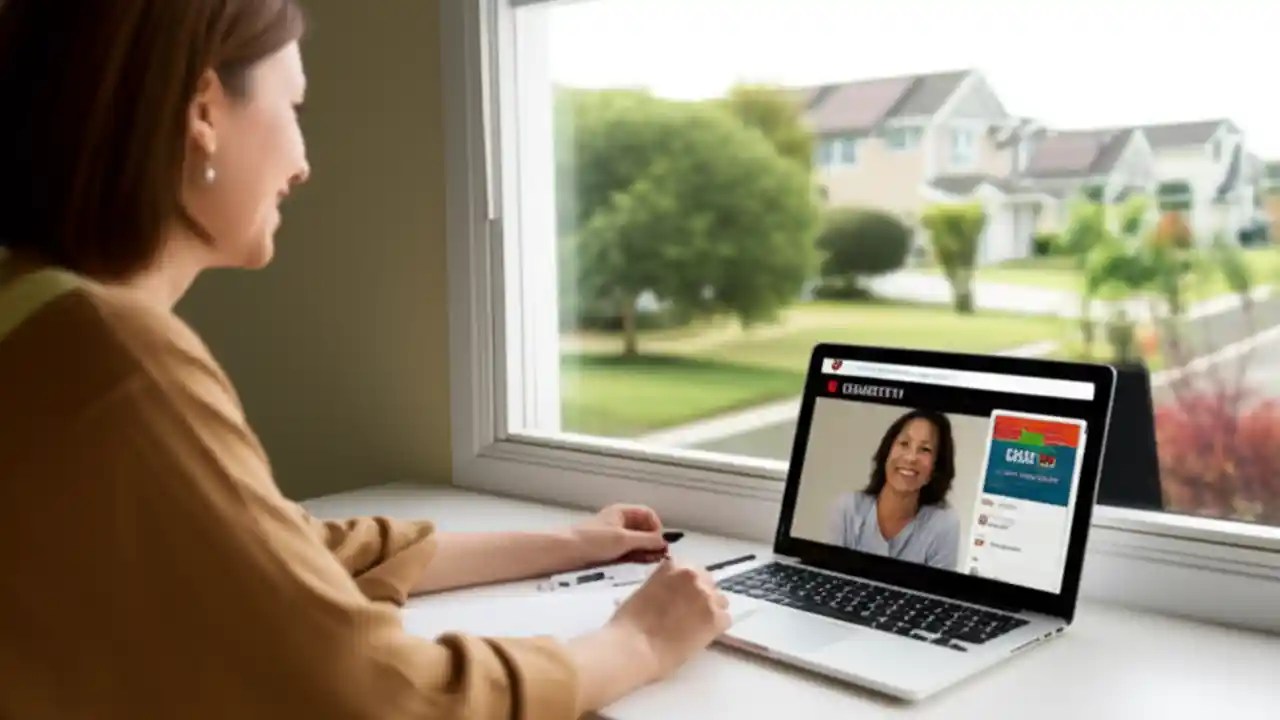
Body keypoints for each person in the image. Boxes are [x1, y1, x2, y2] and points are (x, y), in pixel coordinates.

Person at [0, 2, 730, 718]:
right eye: (295, 109)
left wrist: (574, 542)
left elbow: (285, 554)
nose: (303, 164)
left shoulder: (31, 314)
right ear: (204, 110)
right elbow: (382, 695)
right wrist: (640, 640)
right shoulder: (115, 358)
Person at [828, 409, 961, 570]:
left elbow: (939, 590)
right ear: (887, 452)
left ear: (935, 468)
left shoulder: (943, 524)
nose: (911, 458)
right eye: (904, 444)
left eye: (925, 449)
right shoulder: (847, 509)